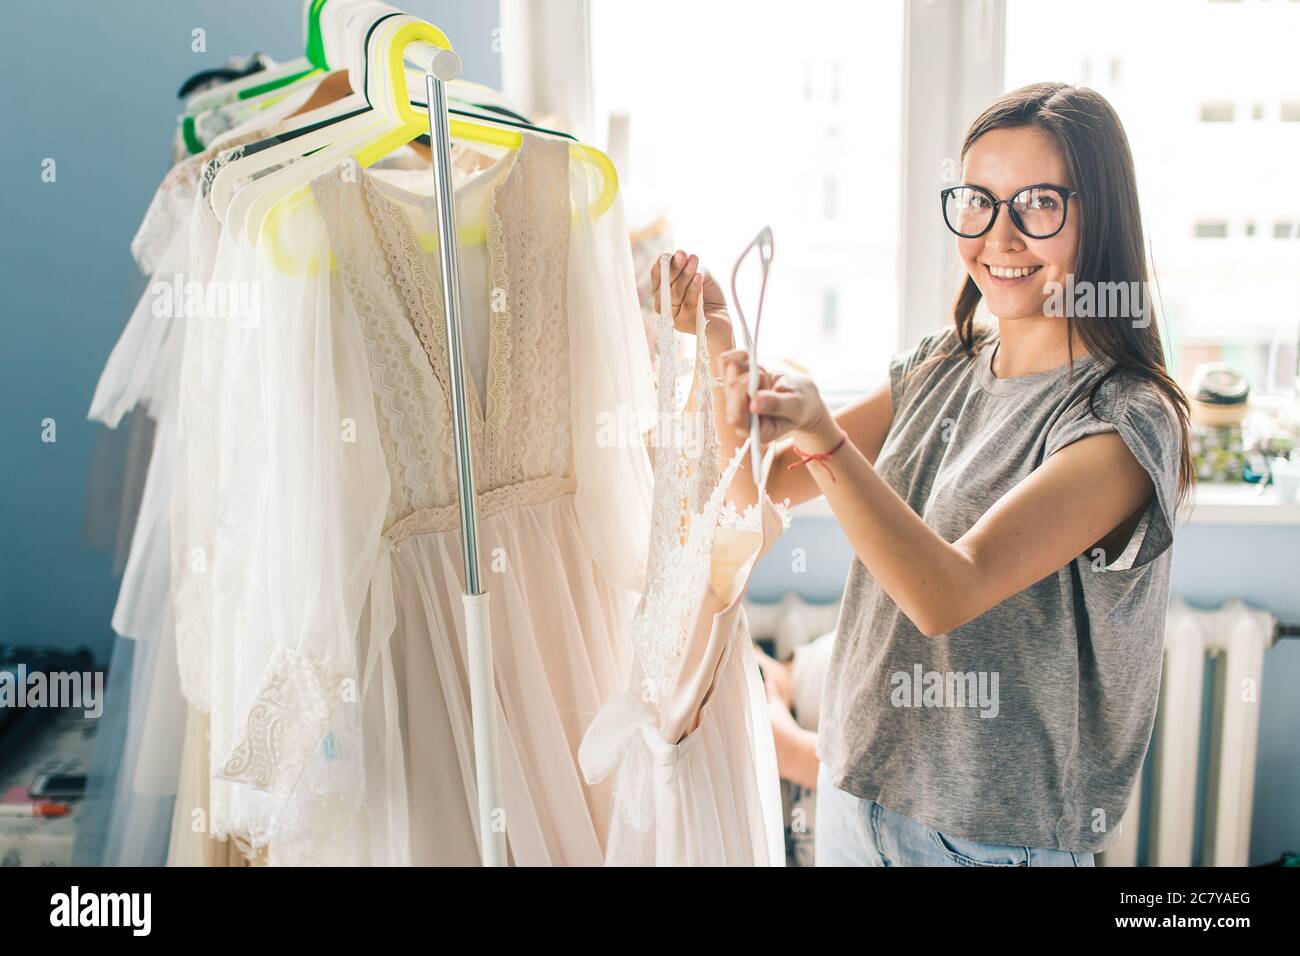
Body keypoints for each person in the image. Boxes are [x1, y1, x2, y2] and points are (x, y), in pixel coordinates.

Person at [652, 82, 1192, 867]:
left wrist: (823, 435)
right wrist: (718, 339)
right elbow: (759, 494)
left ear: (1099, 215)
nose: (999, 236)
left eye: (1038, 204)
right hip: (853, 789)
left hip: (985, 838)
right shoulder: (943, 364)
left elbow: (947, 591)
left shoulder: (1124, 421)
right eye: (978, 201)